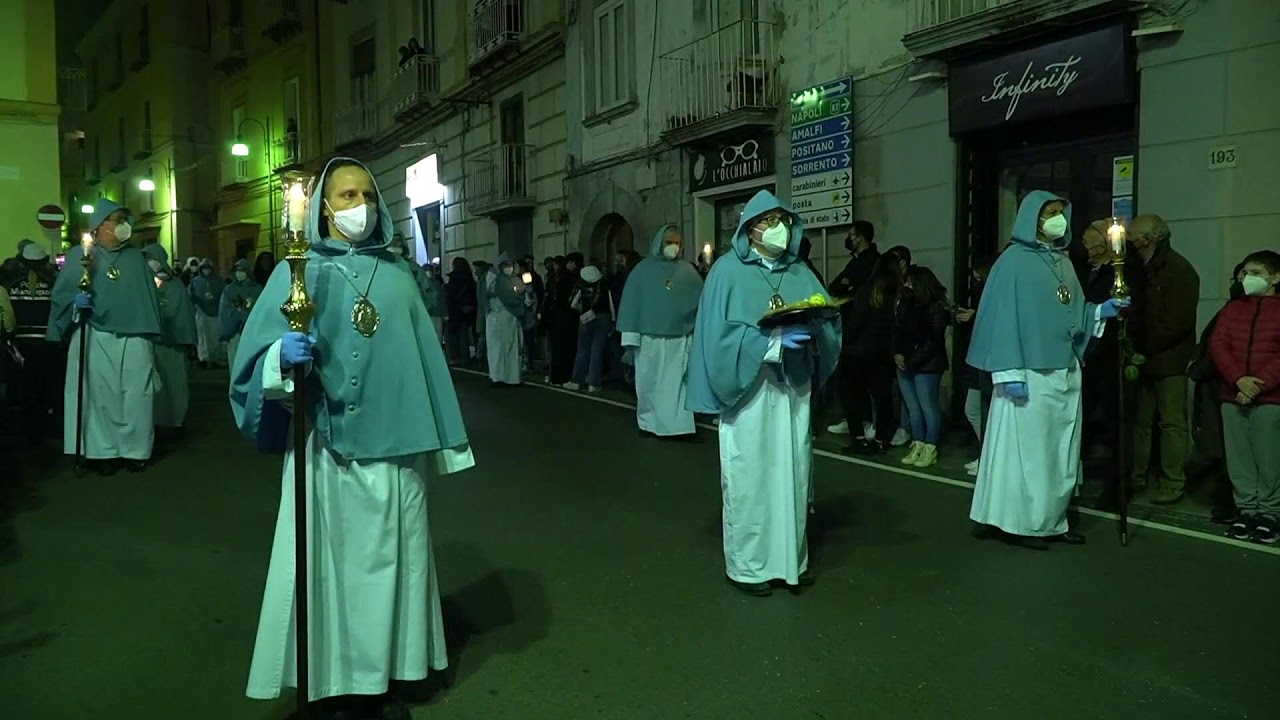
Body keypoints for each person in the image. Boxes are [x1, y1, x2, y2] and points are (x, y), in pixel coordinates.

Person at [229, 157, 473, 719]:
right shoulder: (300, 270)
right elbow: (254, 362)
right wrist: (277, 359)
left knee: (393, 565)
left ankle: (385, 678)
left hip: (395, 450)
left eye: (365, 193)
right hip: (325, 447)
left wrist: (443, 438)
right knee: (329, 568)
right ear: (323, 208)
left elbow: (423, 360)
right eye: (344, 196)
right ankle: (330, 679)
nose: (358, 204)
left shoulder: (396, 275)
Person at [686, 190, 841, 596]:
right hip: (750, 391)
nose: (779, 229)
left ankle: (792, 559)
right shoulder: (725, 272)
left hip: (793, 386)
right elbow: (717, 337)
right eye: (769, 221)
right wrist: (769, 342)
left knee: (794, 471)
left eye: (783, 220)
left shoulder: (799, 271)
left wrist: (816, 329)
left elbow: (828, 319)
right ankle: (750, 566)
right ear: (751, 229)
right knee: (751, 476)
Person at [966, 190, 1129, 550]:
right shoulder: (1012, 263)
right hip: (1028, 372)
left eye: (1060, 212)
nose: (1058, 220)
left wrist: (1101, 311)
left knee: (1061, 449)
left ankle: (1053, 519)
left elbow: (1075, 312)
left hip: (1065, 369)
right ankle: (1023, 522)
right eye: (1050, 213)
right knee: (1030, 453)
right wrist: (1008, 371)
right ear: (1031, 219)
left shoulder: (1064, 262)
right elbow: (1002, 320)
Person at [47, 200, 163, 475]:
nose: (125, 226)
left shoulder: (136, 259)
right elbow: (61, 298)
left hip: (135, 335)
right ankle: (103, 452)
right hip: (95, 333)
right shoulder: (79, 256)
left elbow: (149, 300)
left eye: (125, 219)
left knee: (137, 395)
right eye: (118, 219)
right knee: (99, 395)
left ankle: (135, 451)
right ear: (101, 225)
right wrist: (77, 304)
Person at [1210, 250, 1280, 544]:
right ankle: (1246, 511)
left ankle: (1270, 513)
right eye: (1246, 273)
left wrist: (1257, 385)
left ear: (1275, 278)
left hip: (1271, 399)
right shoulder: (1233, 309)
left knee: (1269, 459)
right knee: (1239, 458)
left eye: (1256, 273)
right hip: (1233, 394)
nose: (1248, 279)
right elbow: (1218, 344)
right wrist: (1238, 379)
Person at [616, 224, 704, 440]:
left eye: (677, 243)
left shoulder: (687, 271)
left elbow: (700, 302)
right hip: (649, 339)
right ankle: (648, 423)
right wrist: (630, 341)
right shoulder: (642, 270)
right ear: (658, 243)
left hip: (679, 339)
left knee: (677, 384)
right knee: (648, 383)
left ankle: (678, 427)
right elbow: (632, 305)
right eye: (668, 242)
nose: (673, 247)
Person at [142, 244, 196, 432]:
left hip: (174, 341)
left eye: (152, 258)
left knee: (175, 382)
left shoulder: (175, 285)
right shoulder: (144, 282)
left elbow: (181, 313)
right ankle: (156, 420)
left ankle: (175, 420)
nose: (150, 262)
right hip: (153, 341)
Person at [481, 253, 534, 386]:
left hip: (511, 317)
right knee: (497, 348)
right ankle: (498, 377)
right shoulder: (492, 278)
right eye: (506, 265)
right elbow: (487, 294)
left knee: (513, 348)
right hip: (497, 316)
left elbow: (524, 298)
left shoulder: (515, 280)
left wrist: (527, 293)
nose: (509, 268)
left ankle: (513, 377)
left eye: (511, 265)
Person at [220, 258, 262, 364]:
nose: (239, 274)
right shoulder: (229, 289)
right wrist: (238, 320)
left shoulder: (257, 289)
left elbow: (260, 309)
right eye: (237, 271)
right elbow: (225, 310)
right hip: (234, 333)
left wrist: (247, 320)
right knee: (234, 361)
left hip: (251, 332)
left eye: (242, 271)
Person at [190, 258, 225, 367]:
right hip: (201, 312)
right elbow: (191, 295)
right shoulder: (195, 281)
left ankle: (214, 358)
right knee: (202, 337)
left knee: (214, 336)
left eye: (208, 268)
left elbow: (224, 295)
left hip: (216, 312)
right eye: (204, 268)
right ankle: (204, 358)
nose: (206, 271)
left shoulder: (219, 281)